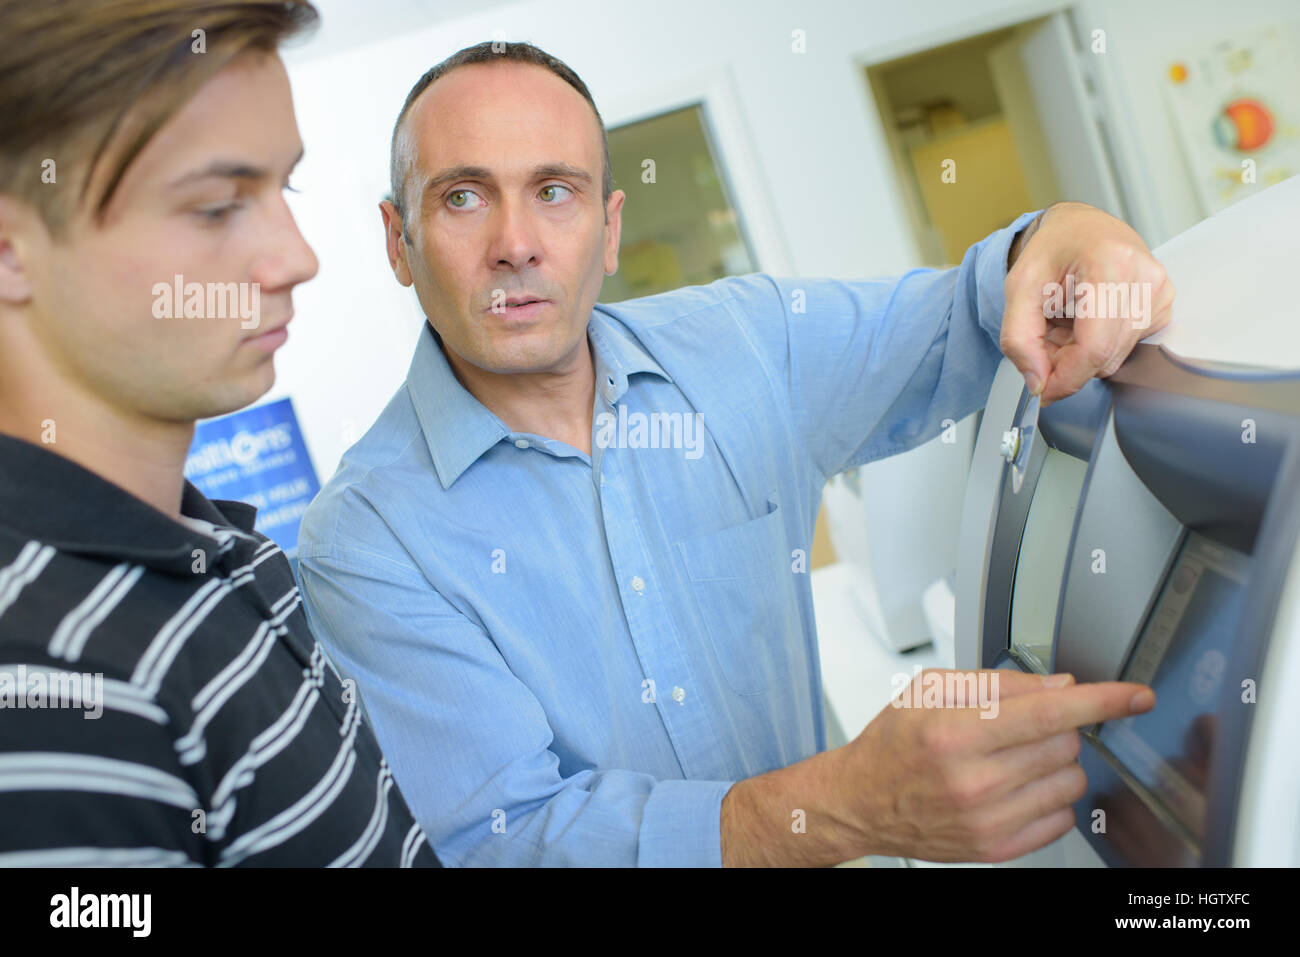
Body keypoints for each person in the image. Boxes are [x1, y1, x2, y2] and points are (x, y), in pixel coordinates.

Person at [297, 40, 1171, 867]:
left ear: (609, 228)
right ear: (396, 240)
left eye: (555, 190)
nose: (516, 242)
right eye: (462, 196)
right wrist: (845, 803)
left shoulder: (749, 346)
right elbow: (511, 839)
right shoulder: (364, 541)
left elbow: (974, 319)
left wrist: (1062, 234)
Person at [0, 0, 438, 867]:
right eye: (213, 208)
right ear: (12, 251)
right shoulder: (43, 682)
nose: (297, 257)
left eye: (285, 188)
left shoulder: (224, 543)